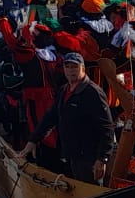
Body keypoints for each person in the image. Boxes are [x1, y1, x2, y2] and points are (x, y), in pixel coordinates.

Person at [24, 51, 115, 184]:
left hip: (89, 158)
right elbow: (51, 117)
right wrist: (33, 141)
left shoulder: (93, 92)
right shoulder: (64, 90)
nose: (70, 71)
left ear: (82, 68)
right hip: (71, 155)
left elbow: (107, 127)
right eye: (68, 67)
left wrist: (102, 159)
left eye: (74, 67)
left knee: (91, 193)